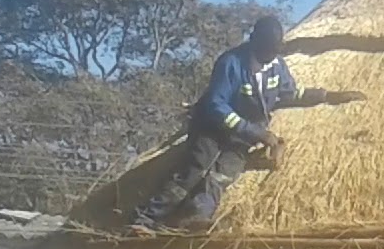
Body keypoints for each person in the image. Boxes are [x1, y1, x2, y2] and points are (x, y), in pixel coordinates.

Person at [132, 15, 367, 231]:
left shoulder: (276, 66)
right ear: (254, 40)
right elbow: (216, 104)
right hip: (211, 127)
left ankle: (194, 217)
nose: (269, 54)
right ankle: (146, 219)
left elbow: (289, 93)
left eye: (274, 49)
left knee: (223, 174)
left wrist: (325, 95)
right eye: (266, 48)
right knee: (195, 169)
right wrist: (256, 132)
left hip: (243, 135)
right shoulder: (231, 63)